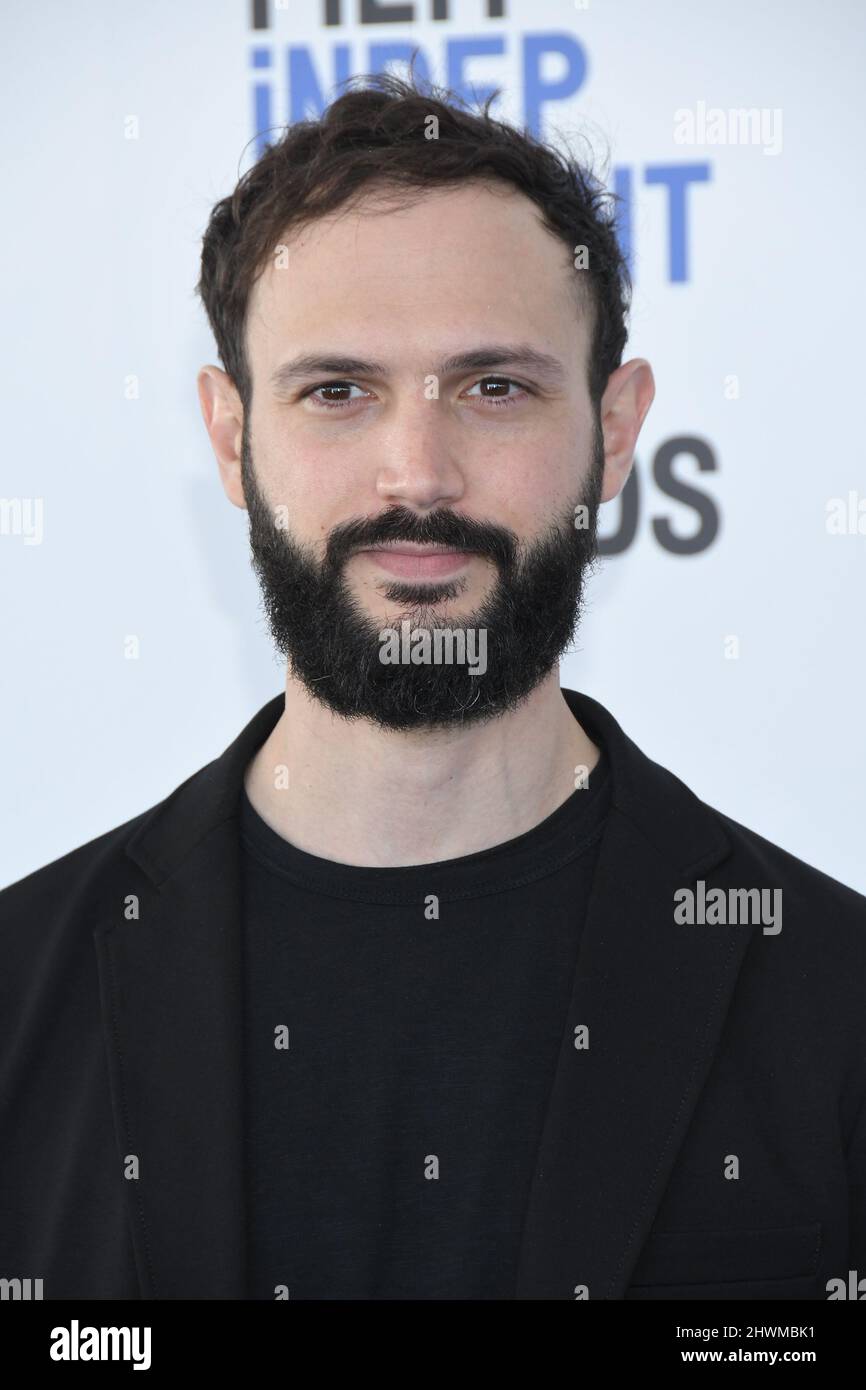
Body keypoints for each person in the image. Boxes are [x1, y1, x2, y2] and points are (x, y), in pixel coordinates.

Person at [1, 72, 864, 1302]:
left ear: (613, 434)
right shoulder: (22, 988)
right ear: (229, 435)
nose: (416, 474)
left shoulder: (830, 993)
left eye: (494, 387)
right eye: (336, 391)